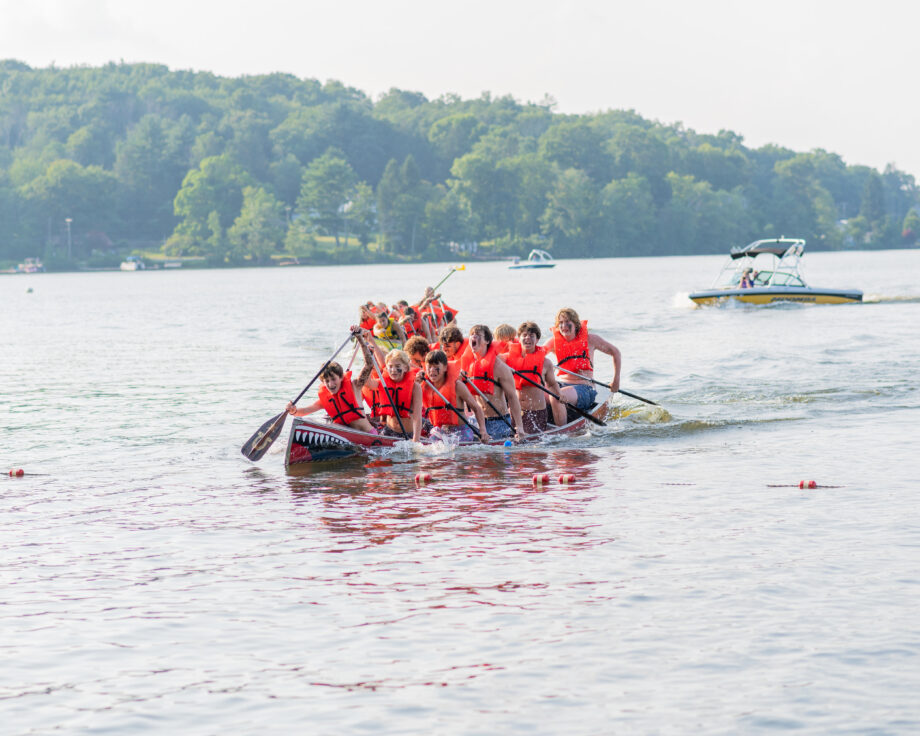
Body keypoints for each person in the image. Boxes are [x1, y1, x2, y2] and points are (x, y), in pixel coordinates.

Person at [286, 338, 378, 434]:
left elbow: (368, 365)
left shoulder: (355, 386)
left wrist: (360, 339)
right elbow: (305, 411)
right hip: (350, 438)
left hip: (369, 435)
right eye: (327, 381)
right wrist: (293, 411)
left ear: (341, 377)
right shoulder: (325, 400)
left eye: (333, 379)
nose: (331, 384)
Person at [542, 307, 621, 412]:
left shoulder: (591, 340)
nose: (563, 326)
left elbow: (616, 353)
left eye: (567, 322)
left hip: (585, 388)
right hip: (561, 385)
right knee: (534, 392)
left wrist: (616, 381)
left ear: (575, 324)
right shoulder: (553, 342)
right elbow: (538, 355)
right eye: (560, 322)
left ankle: (562, 427)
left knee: (556, 397)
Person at [461, 324, 526, 439]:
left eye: (478, 335)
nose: (473, 337)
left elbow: (512, 397)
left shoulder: (500, 367)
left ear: (487, 341)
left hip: (498, 422)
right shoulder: (467, 365)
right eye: (471, 335)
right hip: (476, 421)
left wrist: (519, 427)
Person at [504, 321, 567, 431]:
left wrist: (559, 394)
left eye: (532, 336)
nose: (527, 338)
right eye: (524, 335)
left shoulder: (546, 363)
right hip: (515, 411)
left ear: (537, 340)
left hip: (536, 412)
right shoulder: (507, 359)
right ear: (519, 338)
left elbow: (552, 384)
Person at [417, 350, 490, 443]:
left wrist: (483, 431)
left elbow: (476, 408)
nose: (432, 370)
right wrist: (415, 383)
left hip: (461, 431)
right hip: (440, 431)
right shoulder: (424, 385)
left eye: (436, 367)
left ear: (445, 368)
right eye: (429, 367)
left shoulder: (457, 386)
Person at [360, 343, 423, 441]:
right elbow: (366, 382)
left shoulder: (415, 387)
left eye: (397, 366)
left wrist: (416, 440)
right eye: (390, 366)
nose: (393, 370)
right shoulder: (383, 383)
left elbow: (417, 417)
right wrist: (368, 360)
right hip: (389, 430)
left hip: (408, 434)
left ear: (405, 368)